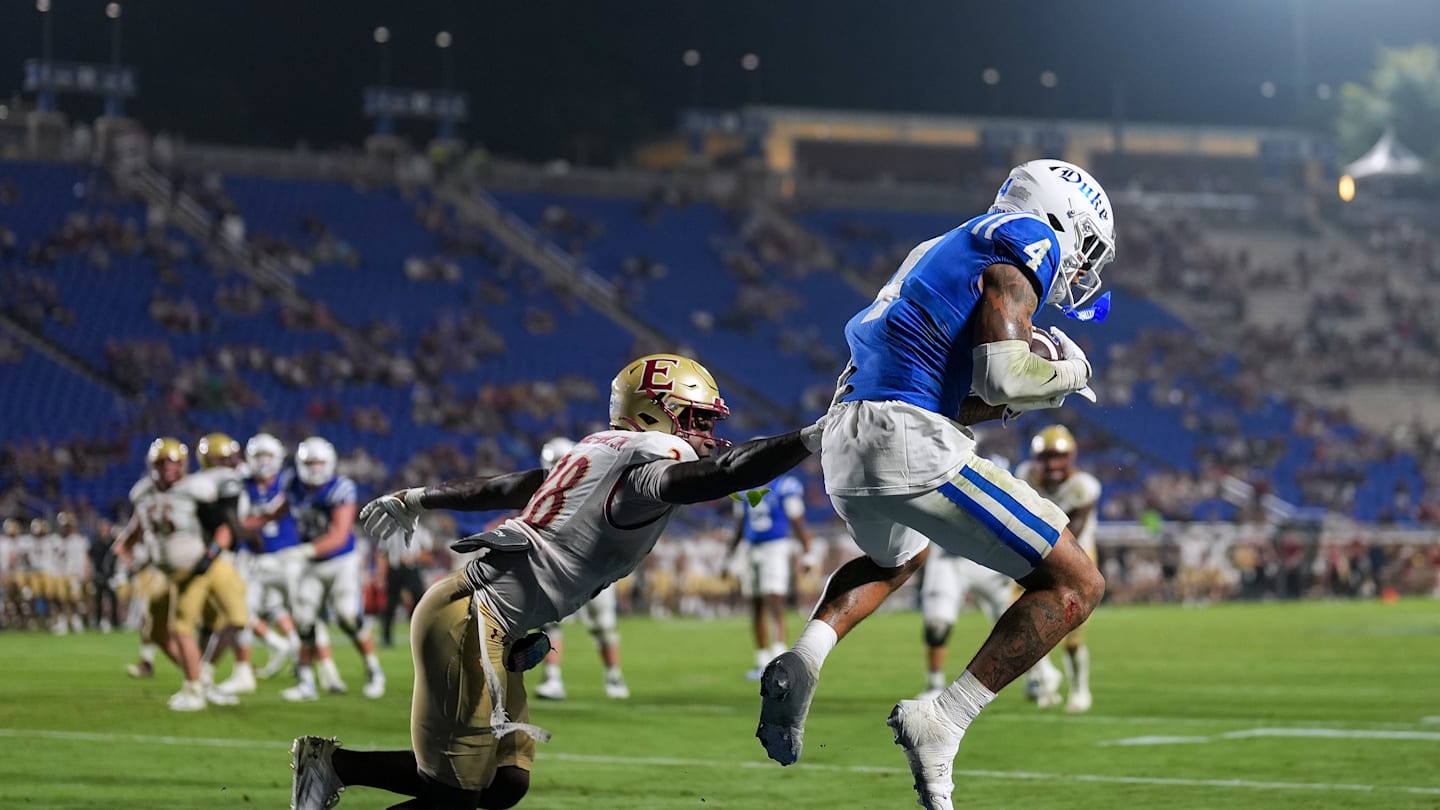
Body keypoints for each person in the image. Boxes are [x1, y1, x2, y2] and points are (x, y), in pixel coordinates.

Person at [290, 353, 824, 810]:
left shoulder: (598, 450)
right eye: (695, 419)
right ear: (653, 412)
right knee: (453, 796)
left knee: (506, 782)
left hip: (495, 622)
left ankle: (334, 765)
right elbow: (723, 475)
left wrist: (420, 497)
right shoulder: (650, 461)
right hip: (471, 619)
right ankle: (332, 765)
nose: (705, 434)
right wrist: (811, 437)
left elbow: (511, 486)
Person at [754, 159, 1115, 810]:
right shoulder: (1028, 236)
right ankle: (944, 720)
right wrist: (1069, 374)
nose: (1081, 267)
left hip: (845, 433)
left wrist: (1027, 394)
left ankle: (805, 656)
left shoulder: (940, 248)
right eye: (1085, 247)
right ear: (1063, 218)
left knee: (898, 558)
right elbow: (1005, 375)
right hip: (908, 435)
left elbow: (965, 391)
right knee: (1077, 583)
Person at [115, 437, 250, 711]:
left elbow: (222, 526)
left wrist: (210, 555)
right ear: (152, 464)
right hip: (167, 573)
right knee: (160, 630)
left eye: (174, 462)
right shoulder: (143, 493)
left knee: (224, 620)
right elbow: (132, 535)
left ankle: (201, 682)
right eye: (162, 462)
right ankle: (198, 680)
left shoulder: (197, 489)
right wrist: (128, 561)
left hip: (202, 566)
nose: (169, 468)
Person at [282, 436, 386, 702]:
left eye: (319, 462)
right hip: (310, 564)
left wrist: (303, 551)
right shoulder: (291, 484)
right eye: (310, 463)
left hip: (341, 561)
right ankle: (306, 682)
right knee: (304, 621)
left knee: (347, 617)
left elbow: (339, 536)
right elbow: (279, 509)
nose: (315, 468)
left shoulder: (341, 488)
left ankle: (374, 670)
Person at [528, 438, 631, 702]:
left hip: (593, 565)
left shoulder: (598, 488)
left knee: (603, 626)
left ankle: (614, 675)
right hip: (559, 565)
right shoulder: (544, 493)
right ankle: (552, 678)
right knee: (549, 623)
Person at [1013, 424, 1102, 713]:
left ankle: (1079, 688)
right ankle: (1044, 679)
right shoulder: (1025, 475)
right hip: (1034, 554)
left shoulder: (1083, 487)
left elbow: (1073, 533)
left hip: (1076, 558)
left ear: (1071, 457)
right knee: (1022, 623)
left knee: (1072, 636)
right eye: (1047, 457)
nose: (1052, 465)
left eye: (1058, 457)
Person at [727, 472, 814, 680]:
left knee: (776, 601)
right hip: (751, 548)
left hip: (776, 547)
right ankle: (761, 660)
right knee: (756, 605)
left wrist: (807, 552)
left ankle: (779, 658)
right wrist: (730, 556)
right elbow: (739, 525)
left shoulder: (784, 486)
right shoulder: (744, 488)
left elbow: (797, 522)